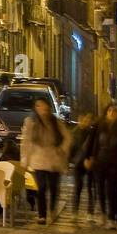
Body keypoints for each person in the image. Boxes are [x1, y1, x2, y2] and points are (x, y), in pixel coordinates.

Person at [21, 96, 70, 225]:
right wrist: (25, 161)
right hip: (38, 160)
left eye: (43, 105)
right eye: (38, 106)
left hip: (54, 160)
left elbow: (67, 138)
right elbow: (26, 142)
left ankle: (52, 210)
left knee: (53, 187)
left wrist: (62, 149)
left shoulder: (56, 122)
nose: (42, 109)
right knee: (41, 187)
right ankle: (42, 214)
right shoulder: (31, 122)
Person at [69, 112, 98, 217]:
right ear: (80, 119)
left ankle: (90, 212)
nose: (86, 122)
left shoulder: (92, 133)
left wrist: (91, 159)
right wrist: (73, 160)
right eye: (84, 120)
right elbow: (71, 149)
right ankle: (75, 211)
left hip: (90, 163)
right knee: (78, 187)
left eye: (88, 121)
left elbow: (95, 148)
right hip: (78, 163)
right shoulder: (75, 133)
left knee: (91, 188)